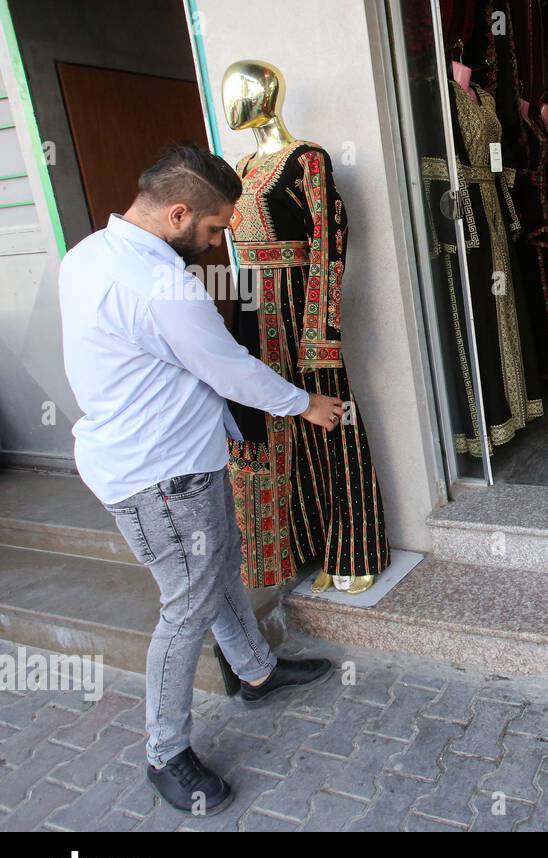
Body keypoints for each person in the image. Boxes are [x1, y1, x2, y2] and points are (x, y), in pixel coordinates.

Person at [59, 143, 340, 816]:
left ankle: (256, 671)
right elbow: (229, 368)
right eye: (214, 230)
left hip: (159, 463)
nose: (217, 245)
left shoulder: (89, 253)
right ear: (177, 211)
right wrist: (306, 403)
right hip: (162, 475)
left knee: (214, 570)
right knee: (186, 605)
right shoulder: (162, 284)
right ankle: (165, 753)